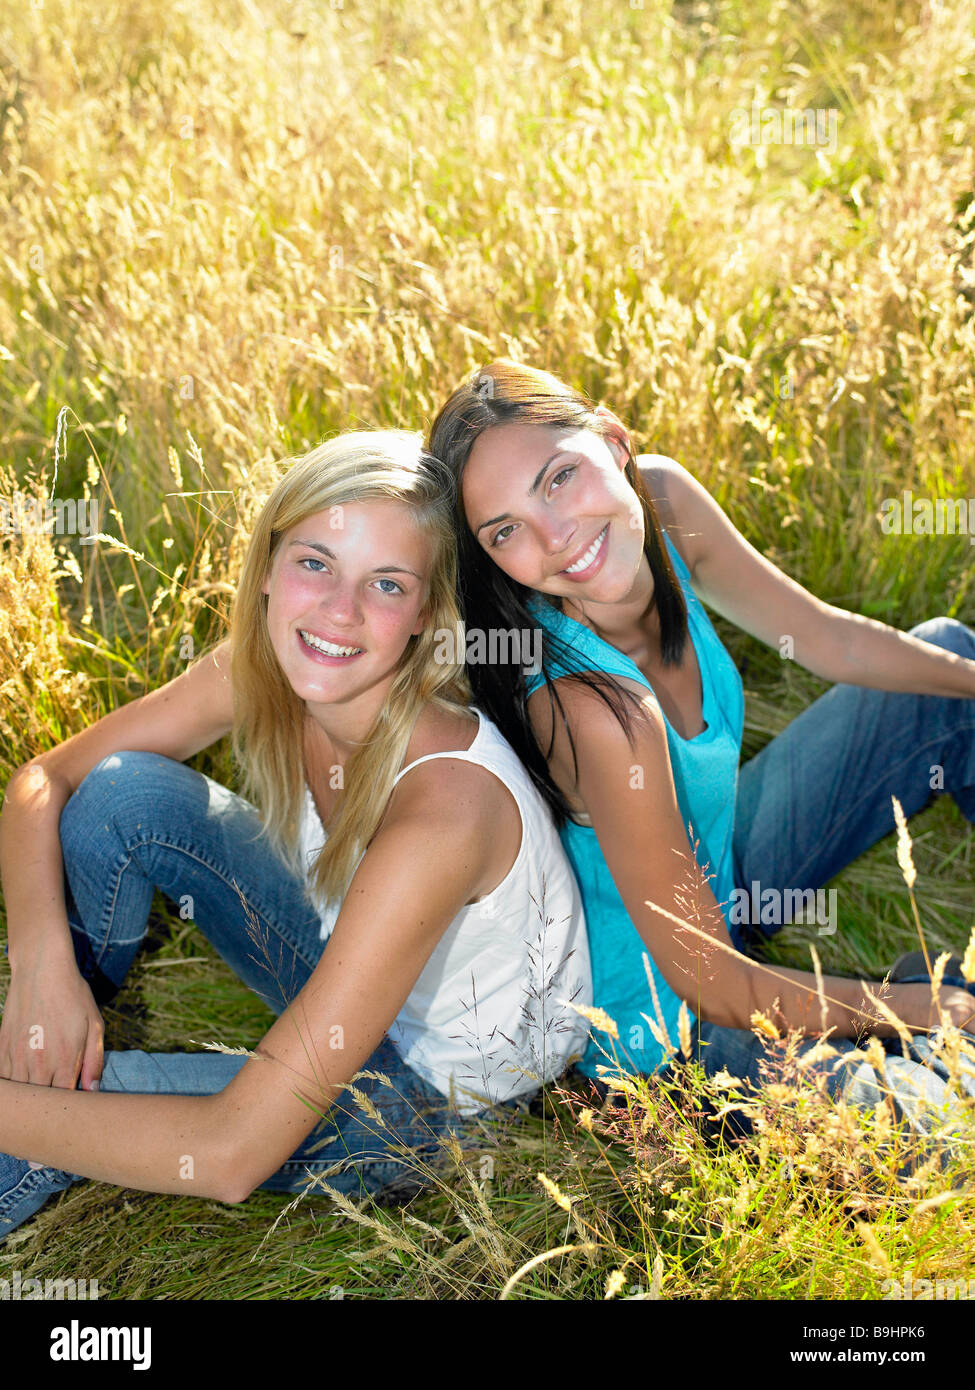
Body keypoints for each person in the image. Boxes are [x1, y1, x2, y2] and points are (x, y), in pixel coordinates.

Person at [0, 429, 591, 1240]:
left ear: (424, 611)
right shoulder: (268, 663)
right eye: (315, 562)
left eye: (385, 584)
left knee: (53, 1120)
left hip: (433, 1103)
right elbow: (43, 781)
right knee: (118, 794)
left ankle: (48, 1085)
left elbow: (230, 1154)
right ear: (270, 564)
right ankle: (52, 1042)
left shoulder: (444, 811)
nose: (338, 612)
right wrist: (42, 970)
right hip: (350, 956)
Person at [426, 360, 975, 1141]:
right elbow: (711, 983)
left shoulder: (665, 502)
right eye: (506, 530)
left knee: (943, 671)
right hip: (662, 1027)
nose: (555, 538)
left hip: (719, 886)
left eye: (558, 479)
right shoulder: (591, 708)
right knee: (938, 1135)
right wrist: (922, 1008)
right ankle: (928, 1040)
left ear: (613, 443)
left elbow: (825, 639)